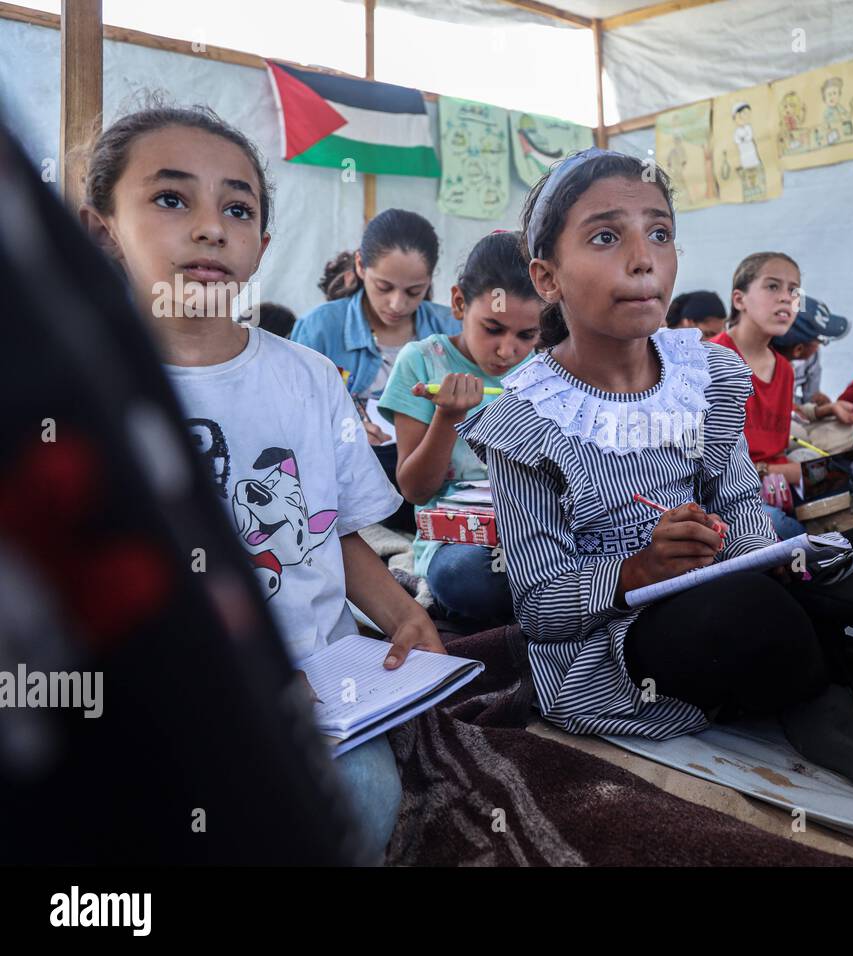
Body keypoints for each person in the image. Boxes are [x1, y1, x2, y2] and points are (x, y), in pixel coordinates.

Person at [80, 105, 446, 863]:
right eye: (172, 198)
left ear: (262, 246)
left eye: (238, 208)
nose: (212, 227)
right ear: (100, 230)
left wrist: (401, 613)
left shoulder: (309, 378)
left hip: (313, 690)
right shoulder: (77, 387)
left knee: (360, 801)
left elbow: (331, 530)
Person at [456, 149, 829, 738]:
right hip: (611, 640)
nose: (642, 261)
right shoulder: (526, 417)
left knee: (833, 570)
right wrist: (640, 569)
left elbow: (735, 501)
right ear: (547, 278)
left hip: (714, 586)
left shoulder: (702, 375)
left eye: (660, 234)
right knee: (748, 622)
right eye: (605, 237)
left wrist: (754, 554)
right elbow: (540, 606)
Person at [379, 230, 541, 631]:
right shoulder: (423, 362)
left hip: (533, 530)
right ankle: (552, 605)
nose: (508, 351)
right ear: (458, 303)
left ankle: (547, 600)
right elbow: (414, 490)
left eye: (526, 335)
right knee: (463, 576)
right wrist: (448, 418)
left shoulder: (545, 369)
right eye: (492, 328)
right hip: (458, 541)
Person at [293, 210, 460, 530]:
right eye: (384, 287)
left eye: (414, 291)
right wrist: (347, 429)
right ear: (360, 266)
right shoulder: (321, 328)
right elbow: (292, 418)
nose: (397, 304)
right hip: (353, 473)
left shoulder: (451, 327)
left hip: (432, 471)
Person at [711, 252, 806, 539]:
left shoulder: (786, 370)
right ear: (739, 300)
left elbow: (775, 450)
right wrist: (773, 471)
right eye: (772, 286)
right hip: (727, 499)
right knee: (791, 532)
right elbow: (708, 465)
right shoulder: (711, 358)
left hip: (776, 491)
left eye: (793, 290)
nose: (785, 298)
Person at [771, 293, 853, 456]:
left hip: (794, 422)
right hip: (774, 430)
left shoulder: (800, 361)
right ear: (798, 349)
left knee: (845, 429)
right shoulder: (765, 365)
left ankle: (803, 455)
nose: (820, 348)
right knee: (797, 433)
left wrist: (830, 408)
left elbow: (800, 409)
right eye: (820, 342)